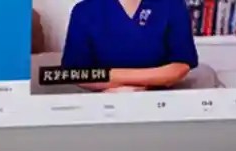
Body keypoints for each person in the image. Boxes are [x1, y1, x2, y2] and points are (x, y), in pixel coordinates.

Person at [60, 0, 199, 92]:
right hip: (103, 103)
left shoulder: (172, 5)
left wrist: (137, 88)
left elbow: (180, 67)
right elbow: (76, 73)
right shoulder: (84, 11)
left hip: (160, 103)